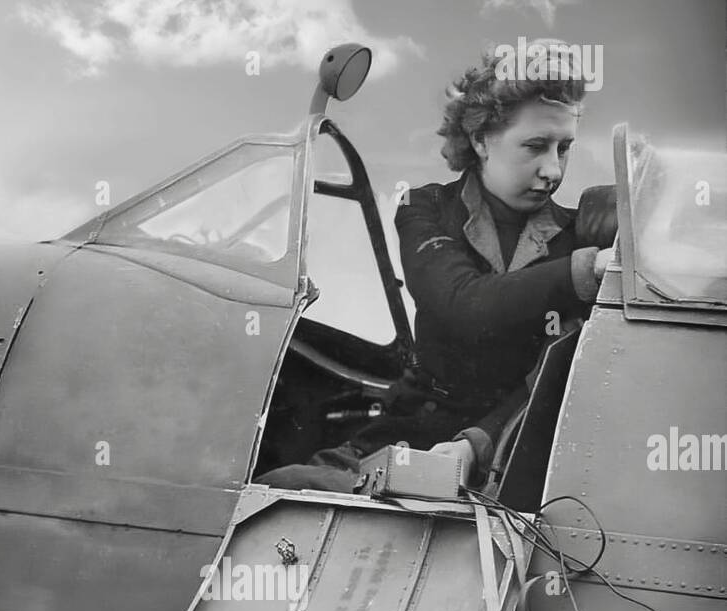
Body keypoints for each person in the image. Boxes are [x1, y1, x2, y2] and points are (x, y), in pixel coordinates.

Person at [258, 39, 618, 492]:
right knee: (283, 489)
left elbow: (553, 374)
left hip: (512, 445)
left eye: (564, 148)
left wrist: (479, 443)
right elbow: (462, 304)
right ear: (480, 139)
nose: (553, 170)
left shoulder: (575, 236)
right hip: (409, 427)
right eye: (535, 146)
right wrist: (586, 270)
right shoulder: (423, 207)